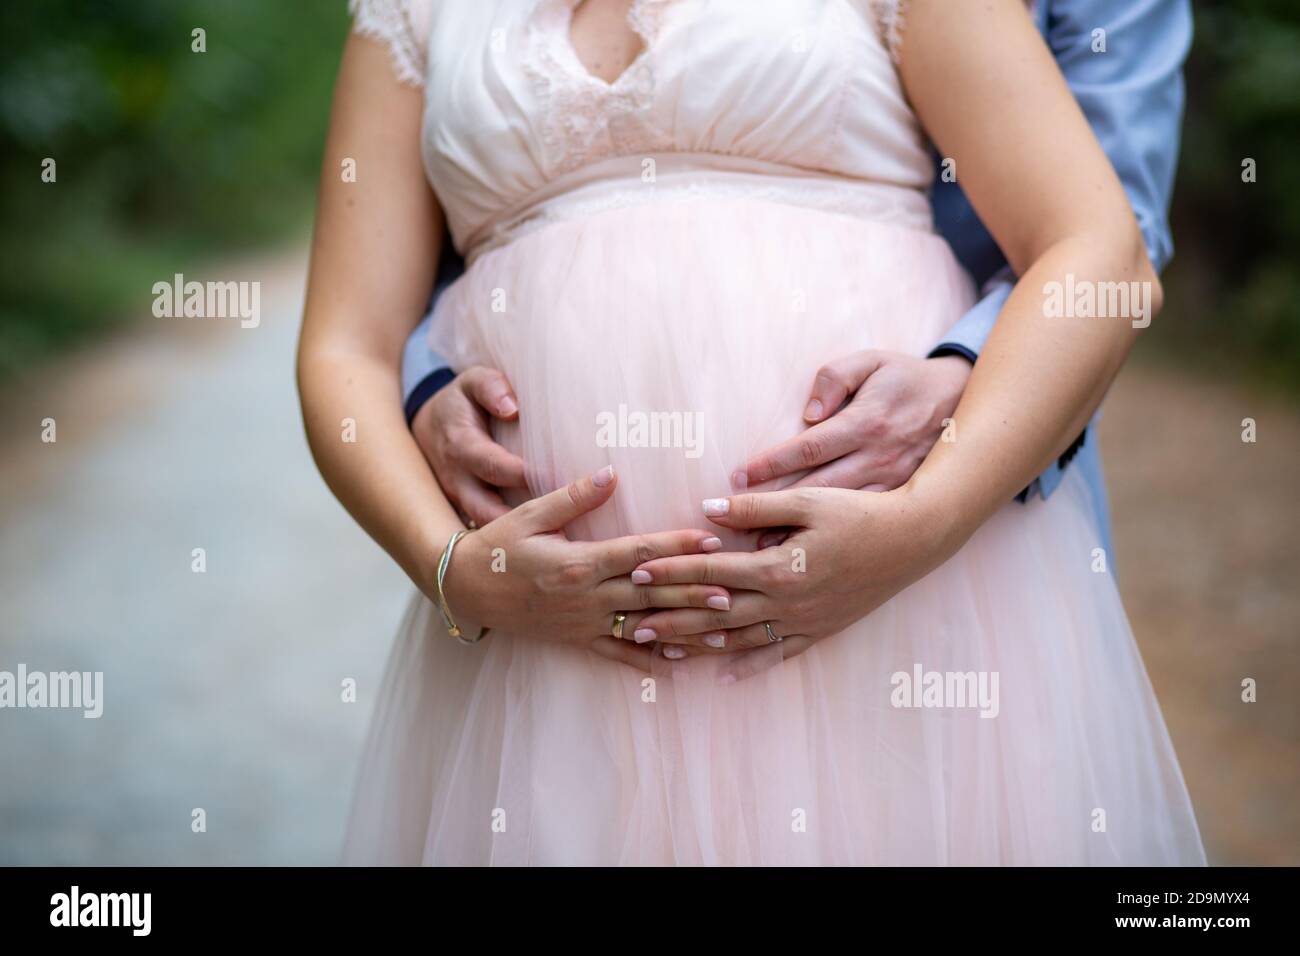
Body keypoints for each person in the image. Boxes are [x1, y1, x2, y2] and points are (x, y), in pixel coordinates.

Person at [298, 0, 1205, 864]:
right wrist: (454, 569)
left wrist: (925, 518)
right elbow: (347, 346)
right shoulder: (412, 14)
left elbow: (1101, 249)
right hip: (545, 654)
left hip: (896, 598)